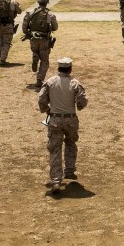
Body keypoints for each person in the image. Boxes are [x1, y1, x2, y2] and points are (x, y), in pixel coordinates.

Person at [38, 56, 88, 195]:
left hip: (54, 119)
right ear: (70, 69)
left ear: (58, 68)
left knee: (55, 149)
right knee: (71, 143)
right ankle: (70, 170)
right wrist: (78, 106)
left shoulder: (50, 82)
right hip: (71, 119)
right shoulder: (75, 83)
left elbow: (41, 99)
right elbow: (83, 101)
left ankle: (55, 180)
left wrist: (47, 110)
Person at [23, 0, 58, 88]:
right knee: (45, 61)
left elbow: (25, 23)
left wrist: (27, 33)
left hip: (33, 38)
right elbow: (55, 27)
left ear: (38, 2)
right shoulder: (49, 14)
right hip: (44, 40)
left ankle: (35, 55)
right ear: (47, 3)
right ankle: (39, 80)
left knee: (35, 50)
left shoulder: (32, 12)